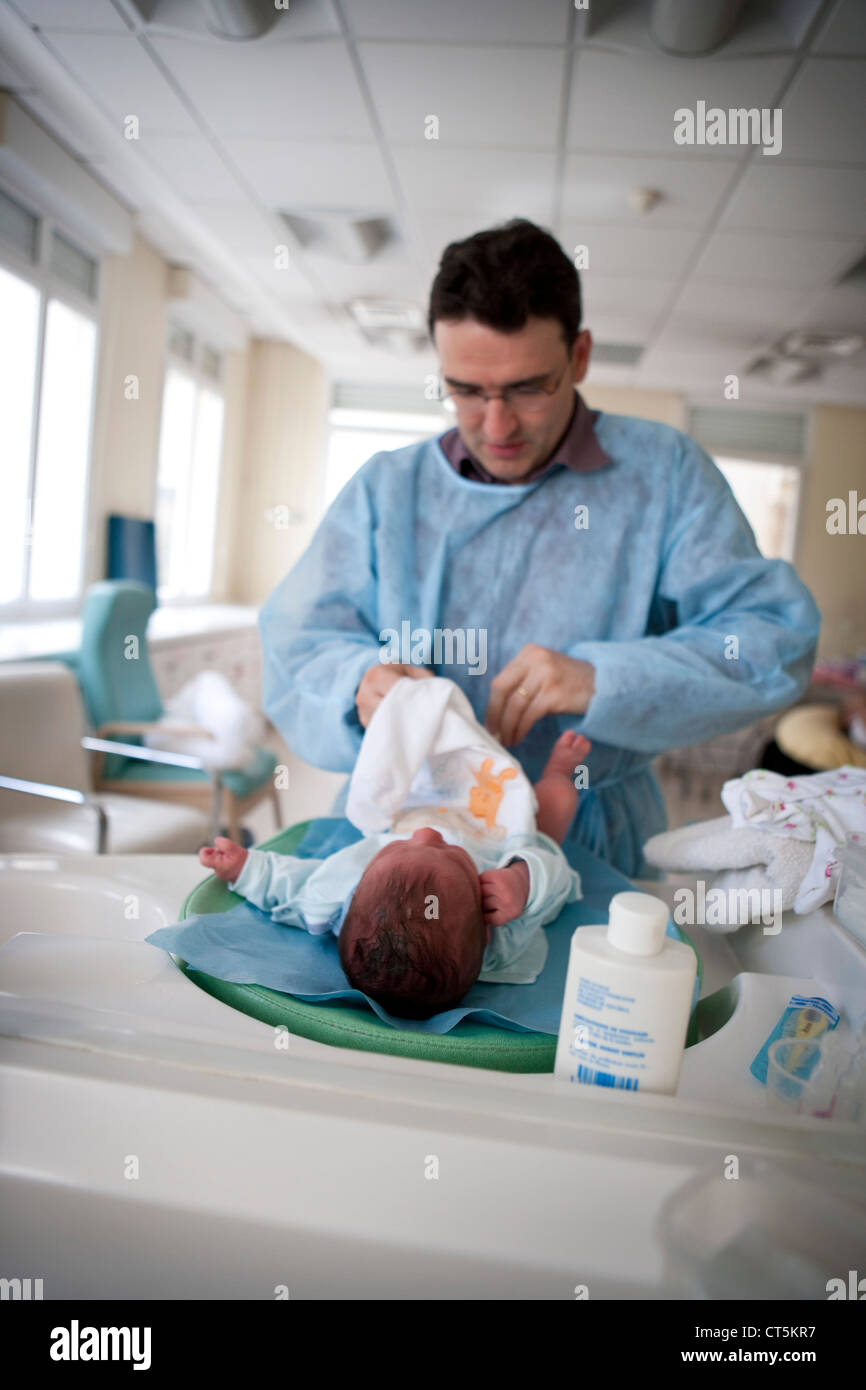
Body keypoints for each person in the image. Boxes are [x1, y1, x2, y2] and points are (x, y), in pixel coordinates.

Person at [259, 219, 821, 878]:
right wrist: (358, 681)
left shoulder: (663, 474)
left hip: (583, 841)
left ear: (579, 357)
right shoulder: (388, 489)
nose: (495, 427)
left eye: (528, 388)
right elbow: (297, 642)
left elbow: (770, 643)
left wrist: (603, 678)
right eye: (466, 390)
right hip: (405, 840)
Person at [200, 676, 590, 1019]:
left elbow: (292, 886)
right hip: (495, 833)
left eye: (396, 849)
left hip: (428, 803)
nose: (428, 836)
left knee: (416, 780)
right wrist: (523, 879)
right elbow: (558, 881)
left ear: (353, 898)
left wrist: (246, 869)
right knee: (549, 818)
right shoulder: (506, 930)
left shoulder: (334, 897)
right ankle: (557, 772)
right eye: (451, 856)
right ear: (484, 928)